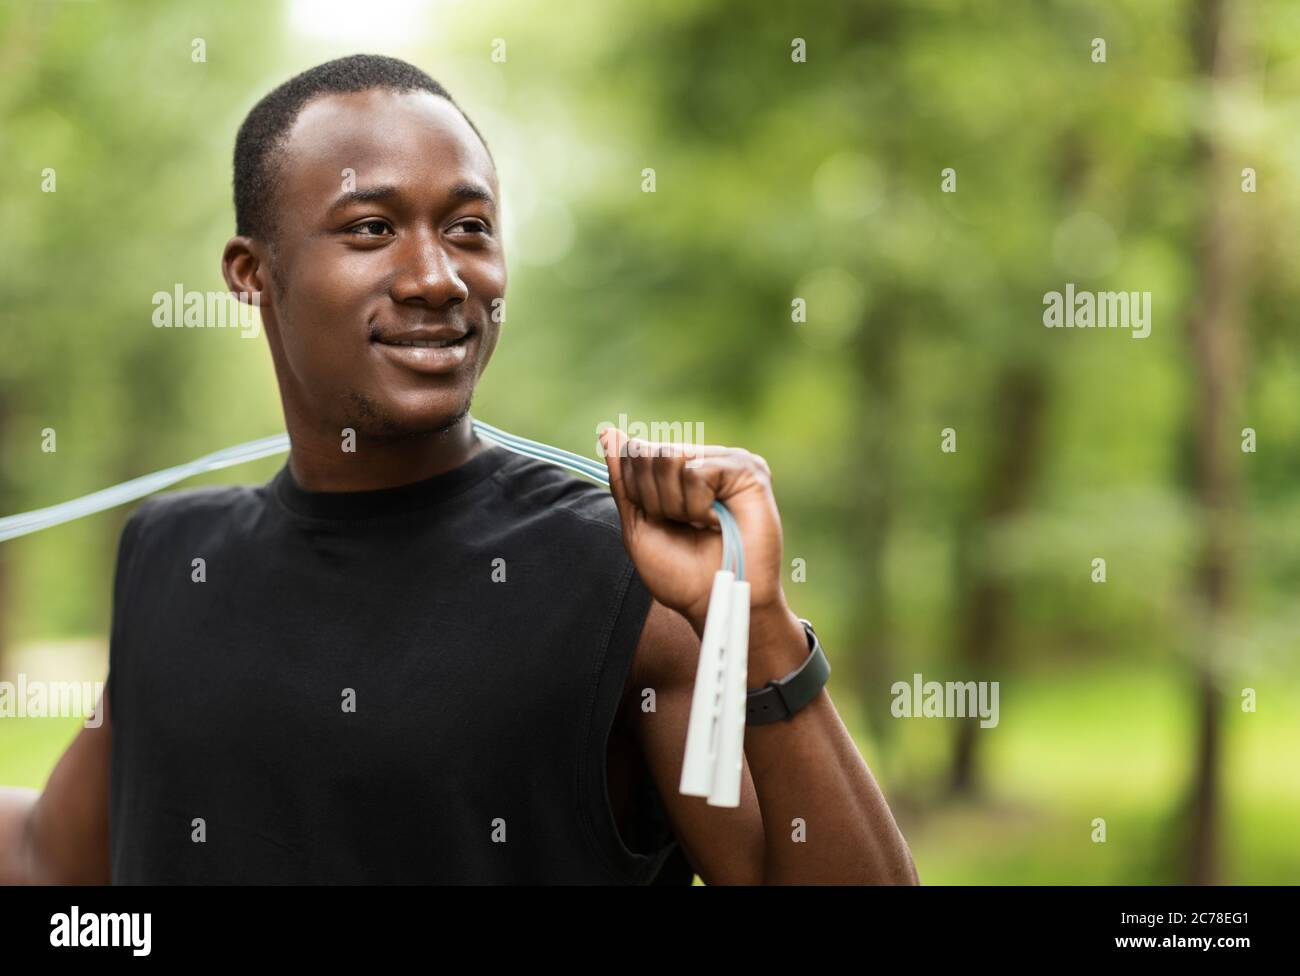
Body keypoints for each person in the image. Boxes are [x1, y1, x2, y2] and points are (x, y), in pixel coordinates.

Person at [0, 54, 918, 885]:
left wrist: (757, 627)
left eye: (470, 226)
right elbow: (51, 858)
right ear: (252, 273)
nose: (438, 276)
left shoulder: (630, 584)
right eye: (371, 229)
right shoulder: (170, 558)